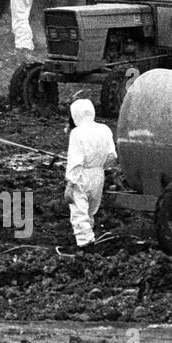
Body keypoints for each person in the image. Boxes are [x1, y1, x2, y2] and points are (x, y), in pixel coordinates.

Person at [63, 98, 117, 250]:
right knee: (91, 210)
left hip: (81, 176)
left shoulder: (77, 133)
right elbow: (112, 155)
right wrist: (99, 166)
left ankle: (85, 245)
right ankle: (90, 238)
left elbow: (75, 162)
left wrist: (69, 184)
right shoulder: (105, 129)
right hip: (98, 174)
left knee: (79, 211)